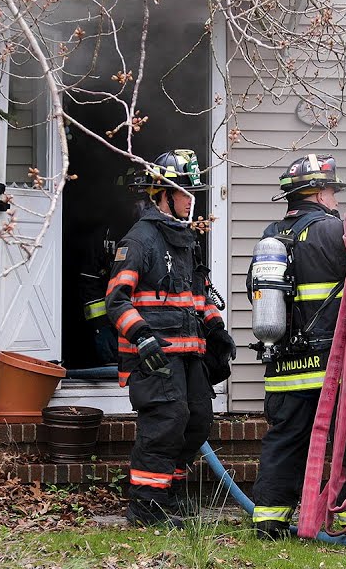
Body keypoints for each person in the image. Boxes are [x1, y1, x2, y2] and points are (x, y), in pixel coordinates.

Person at [250, 154, 346, 540]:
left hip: (284, 367)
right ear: (319, 193)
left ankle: (269, 520)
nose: (335, 199)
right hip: (331, 366)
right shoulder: (335, 231)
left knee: (285, 441)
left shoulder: (271, 237)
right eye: (333, 191)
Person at [105, 148, 236, 528]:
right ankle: (147, 507)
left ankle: (170, 495)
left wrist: (215, 328)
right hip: (155, 356)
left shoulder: (185, 240)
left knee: (197, 421)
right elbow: (116, 299)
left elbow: (197, 296)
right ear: (163, 194)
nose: (191, 200)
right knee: (165, 423)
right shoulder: (140, 240)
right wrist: (142, 336)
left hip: (189, 353)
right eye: (184, 192)